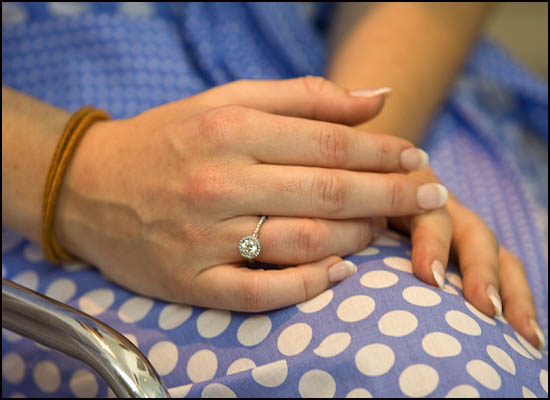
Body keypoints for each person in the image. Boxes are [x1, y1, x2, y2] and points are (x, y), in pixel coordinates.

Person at [2, 2, 547, 398]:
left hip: (377, 75)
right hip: (24, 187)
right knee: (435, 364)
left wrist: (351, 159)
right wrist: (77, 173)